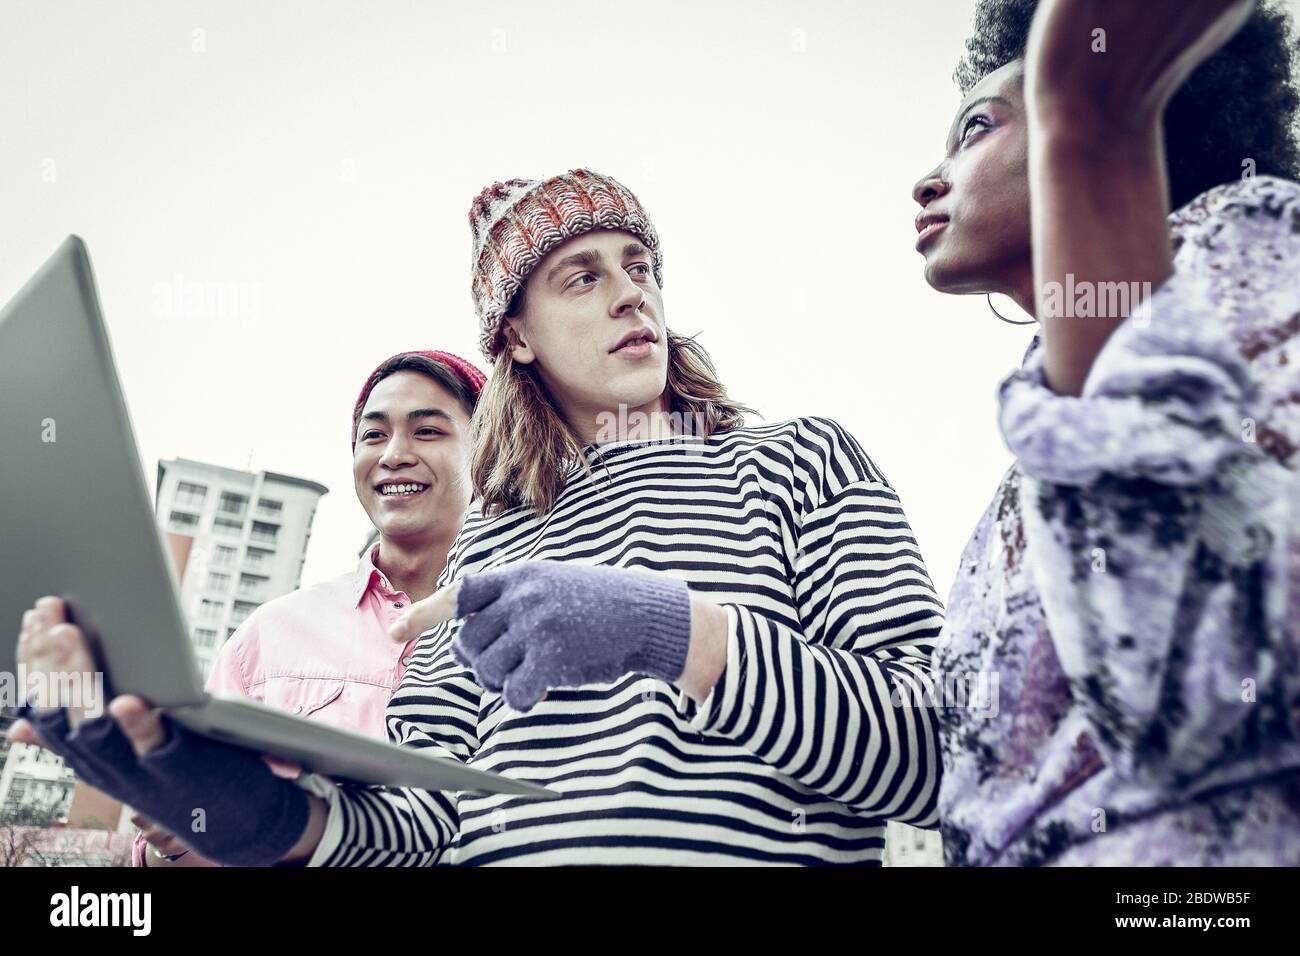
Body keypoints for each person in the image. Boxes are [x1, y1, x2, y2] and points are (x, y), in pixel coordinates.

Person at [12, 169, 944, 866]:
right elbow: (429, 820)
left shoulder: (801, 461)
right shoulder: (493, 543)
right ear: (518, 340)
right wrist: (242, 810)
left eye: (640, 265)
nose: (633, 292)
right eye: (581, 277)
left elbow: (933, 750)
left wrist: (670, 631)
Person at [912, 0, 1300, 864]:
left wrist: (1095, 123)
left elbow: (1209, 675)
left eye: (975, 128)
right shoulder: (1019, 474)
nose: (928, 179)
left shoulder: (1247, 245)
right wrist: (689, 636)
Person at [128, 349, 486, 866]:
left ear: (489, 449)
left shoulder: (525, 623)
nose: (394, 454)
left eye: (428, 431)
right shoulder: (271, 635)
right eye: (373, 434)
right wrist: (183, 832)